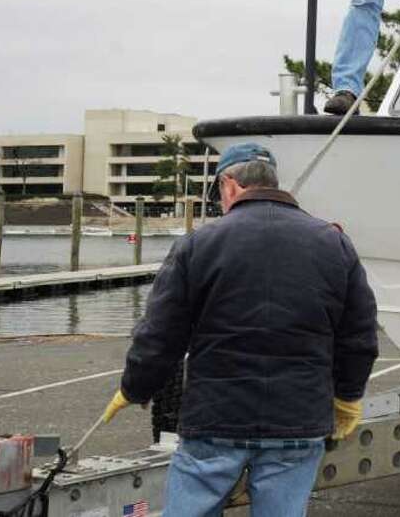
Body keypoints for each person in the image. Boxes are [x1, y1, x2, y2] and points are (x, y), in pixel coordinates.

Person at [102, 142, 379, 516]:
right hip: (297, 419)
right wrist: (347, 397)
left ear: (229, 185)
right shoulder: (333, 243)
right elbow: (358, 337)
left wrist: (134, 388)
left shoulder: (198, 245)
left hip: (216, 418)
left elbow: (160, 335)